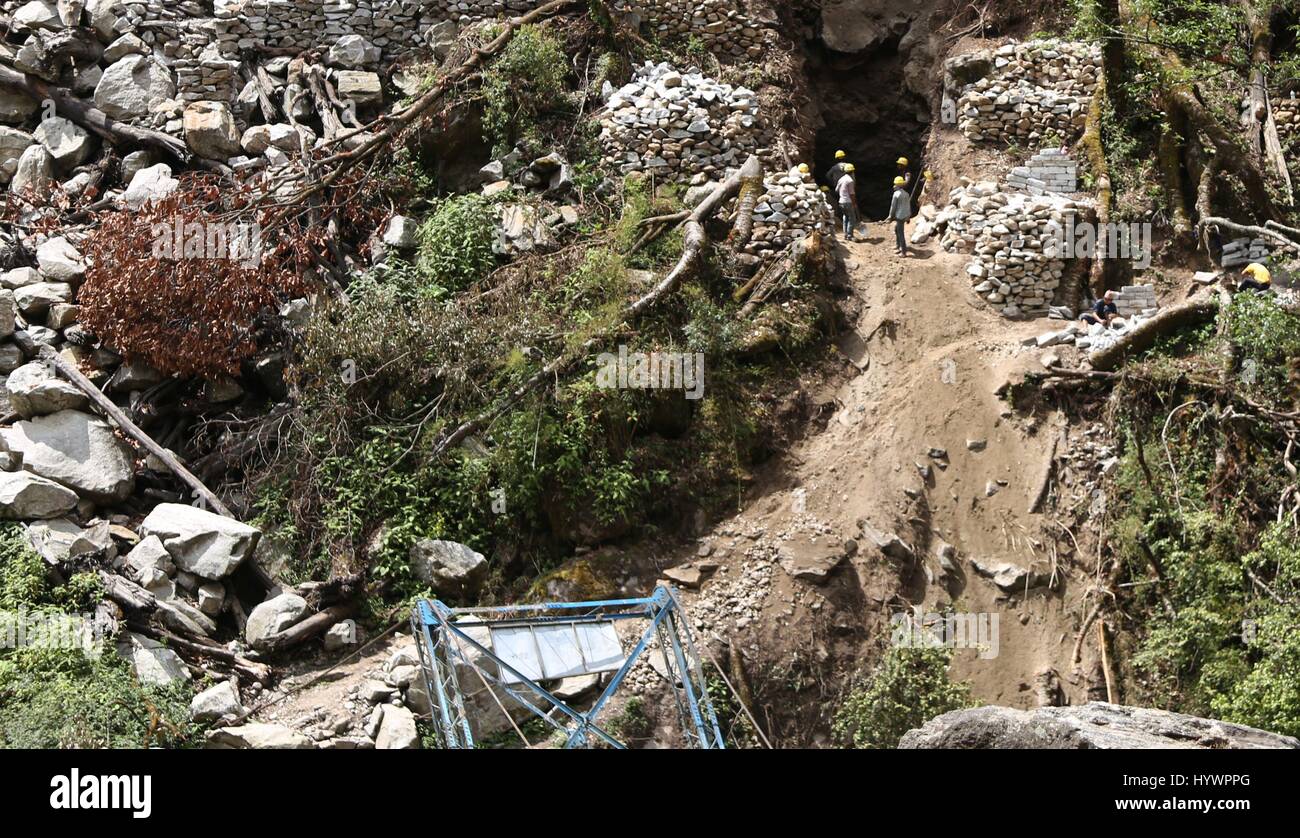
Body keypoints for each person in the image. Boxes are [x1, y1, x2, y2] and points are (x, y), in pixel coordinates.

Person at [889, 175, 911, 255]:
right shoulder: (906, 194)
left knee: (900, 233)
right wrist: (908, 216)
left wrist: (890, 216)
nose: (894, 185)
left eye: (895, 184)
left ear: (897, 185)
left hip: (899, 216)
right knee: (896, 229)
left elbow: (893, 206)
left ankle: (903, 252)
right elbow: (908, 206)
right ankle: (897, 246)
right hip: (905, 215)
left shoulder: (896, 194)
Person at [837, 164, 860, 241]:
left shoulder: (841, 179)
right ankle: (850, 235)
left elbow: (836, 189)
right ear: (852, 172)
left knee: (845, 217)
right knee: (852, 219)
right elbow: (852, 194)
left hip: (841, 201)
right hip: (848, 202)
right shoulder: (850, 180)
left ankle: (845, 234)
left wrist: (842, 194)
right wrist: (854, 203)